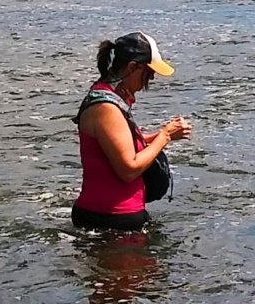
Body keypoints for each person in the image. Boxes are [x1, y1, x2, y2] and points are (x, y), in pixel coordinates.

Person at [72, 32, 192, 232]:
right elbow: (128, 170)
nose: (150, 81)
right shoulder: (106, 108)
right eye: (149, 74)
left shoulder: (108, 98)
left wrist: (163, 135)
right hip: (111, 219)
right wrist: (165, 136)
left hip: (113, 217)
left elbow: (121, 145)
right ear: (132, 67)